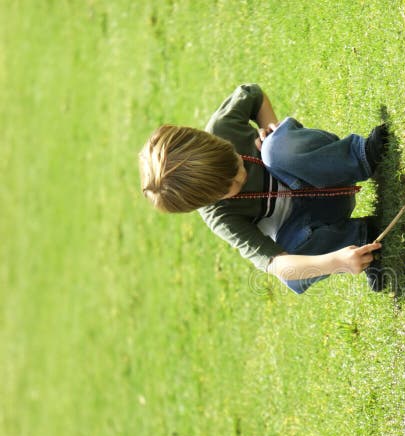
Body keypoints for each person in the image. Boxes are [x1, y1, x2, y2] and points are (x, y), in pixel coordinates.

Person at [139, 83, 388, 294]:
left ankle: (362, 156)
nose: (239, 177)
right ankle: (361, 240)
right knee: (292, 274)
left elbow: (253, 94)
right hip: (319, 221)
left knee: (273, 151)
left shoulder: (223, 127)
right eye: (228, 188)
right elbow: (277, 265)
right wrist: (335, 262)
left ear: (214, 140)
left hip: (329, 170)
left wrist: (271, 128)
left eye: (232, 162)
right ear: (206, 201)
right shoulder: (221, 218)